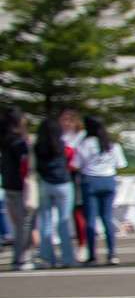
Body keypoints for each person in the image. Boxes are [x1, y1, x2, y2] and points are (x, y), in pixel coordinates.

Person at [75, 113, 126, 265]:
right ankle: (112, 253)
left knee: (90, 219)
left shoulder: (84, 144)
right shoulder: (111, 144)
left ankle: (92, 255)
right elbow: (120, 165)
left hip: (90, 180)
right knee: (107, 217)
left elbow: (76, 165)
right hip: (108, 179)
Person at [31, 114, 77, 269]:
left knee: (45, 222)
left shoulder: (37, 147)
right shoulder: (62, 145)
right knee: (64, 221)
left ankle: (47, 258)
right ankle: (67, 258)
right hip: (63, 183)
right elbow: (70, 161)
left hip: (45, 183)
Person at [2, 106, 30, 272]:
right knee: (24, 223)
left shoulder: (4, 139)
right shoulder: (18, 142)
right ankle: (21, 257)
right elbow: (25, 163)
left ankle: (18, 256)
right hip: (20, 186)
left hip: (8, 184)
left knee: (18, 223)